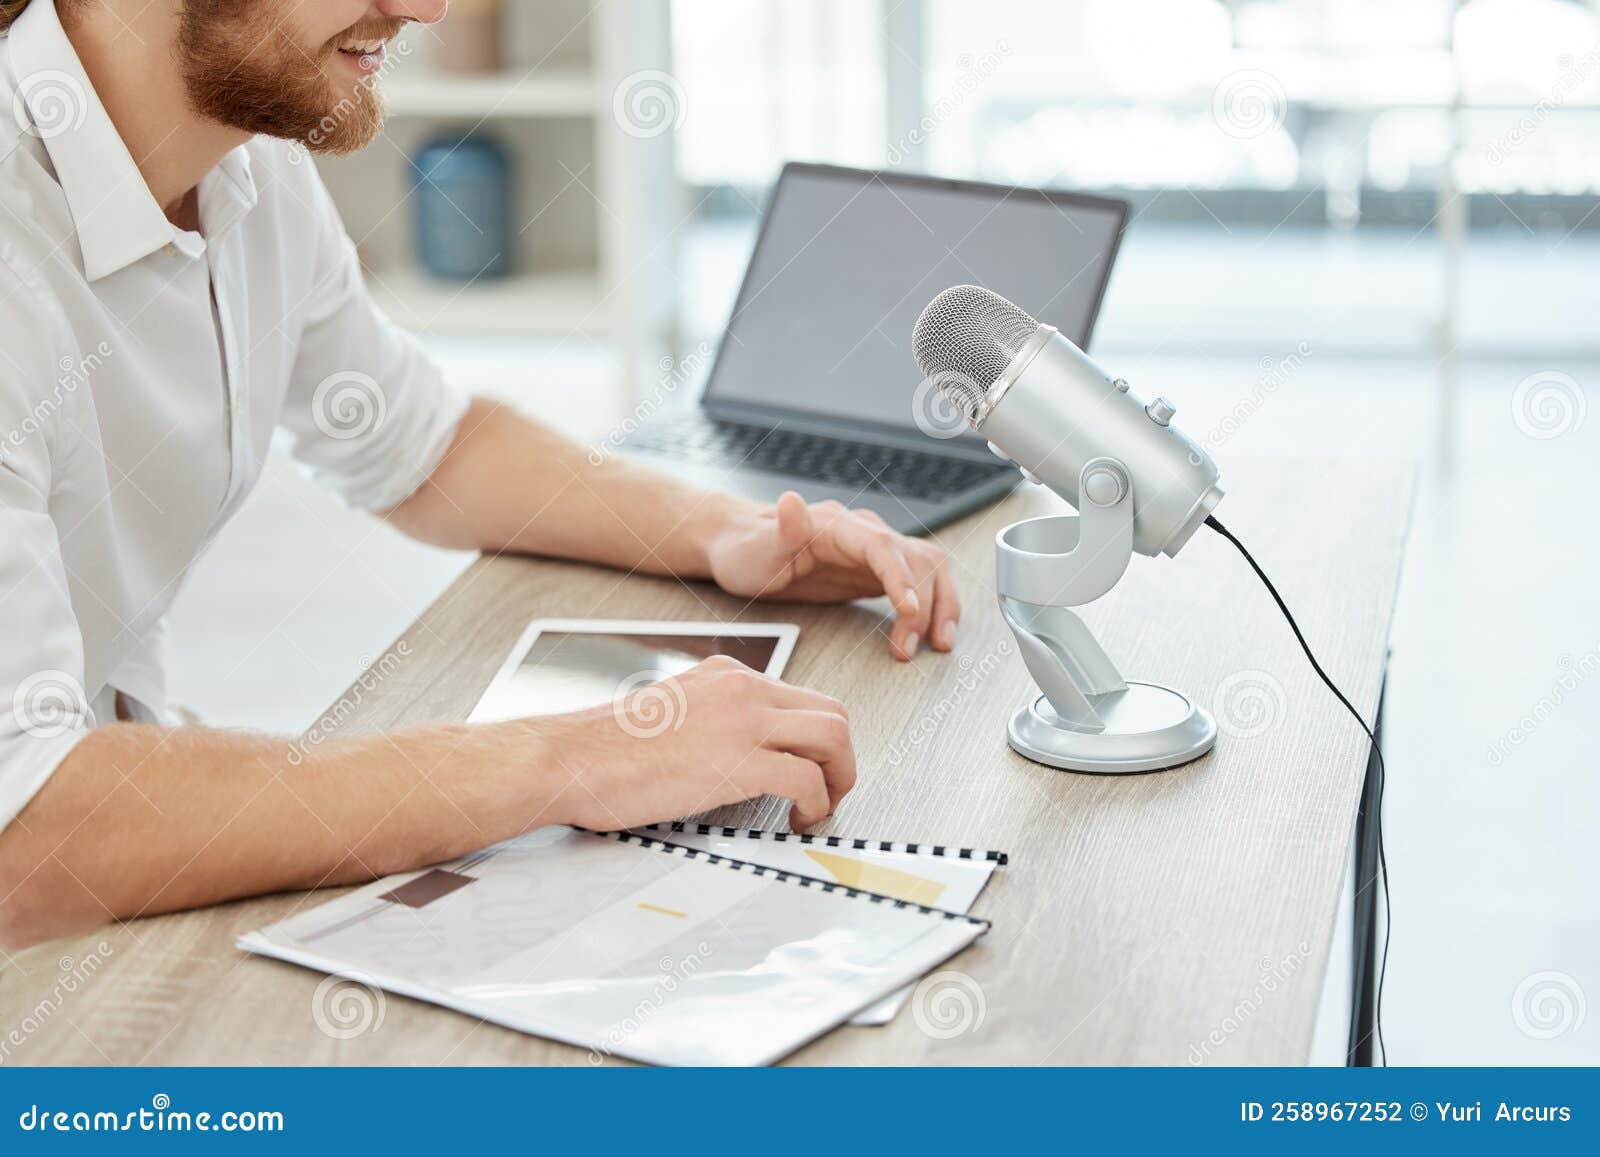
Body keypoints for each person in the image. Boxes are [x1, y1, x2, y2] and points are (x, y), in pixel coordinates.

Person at [0, 0, 960, 950]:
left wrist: (727, 530)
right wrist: (575, 757)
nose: (423, 6)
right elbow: (23, 836)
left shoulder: (248, 169)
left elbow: (426, 446)